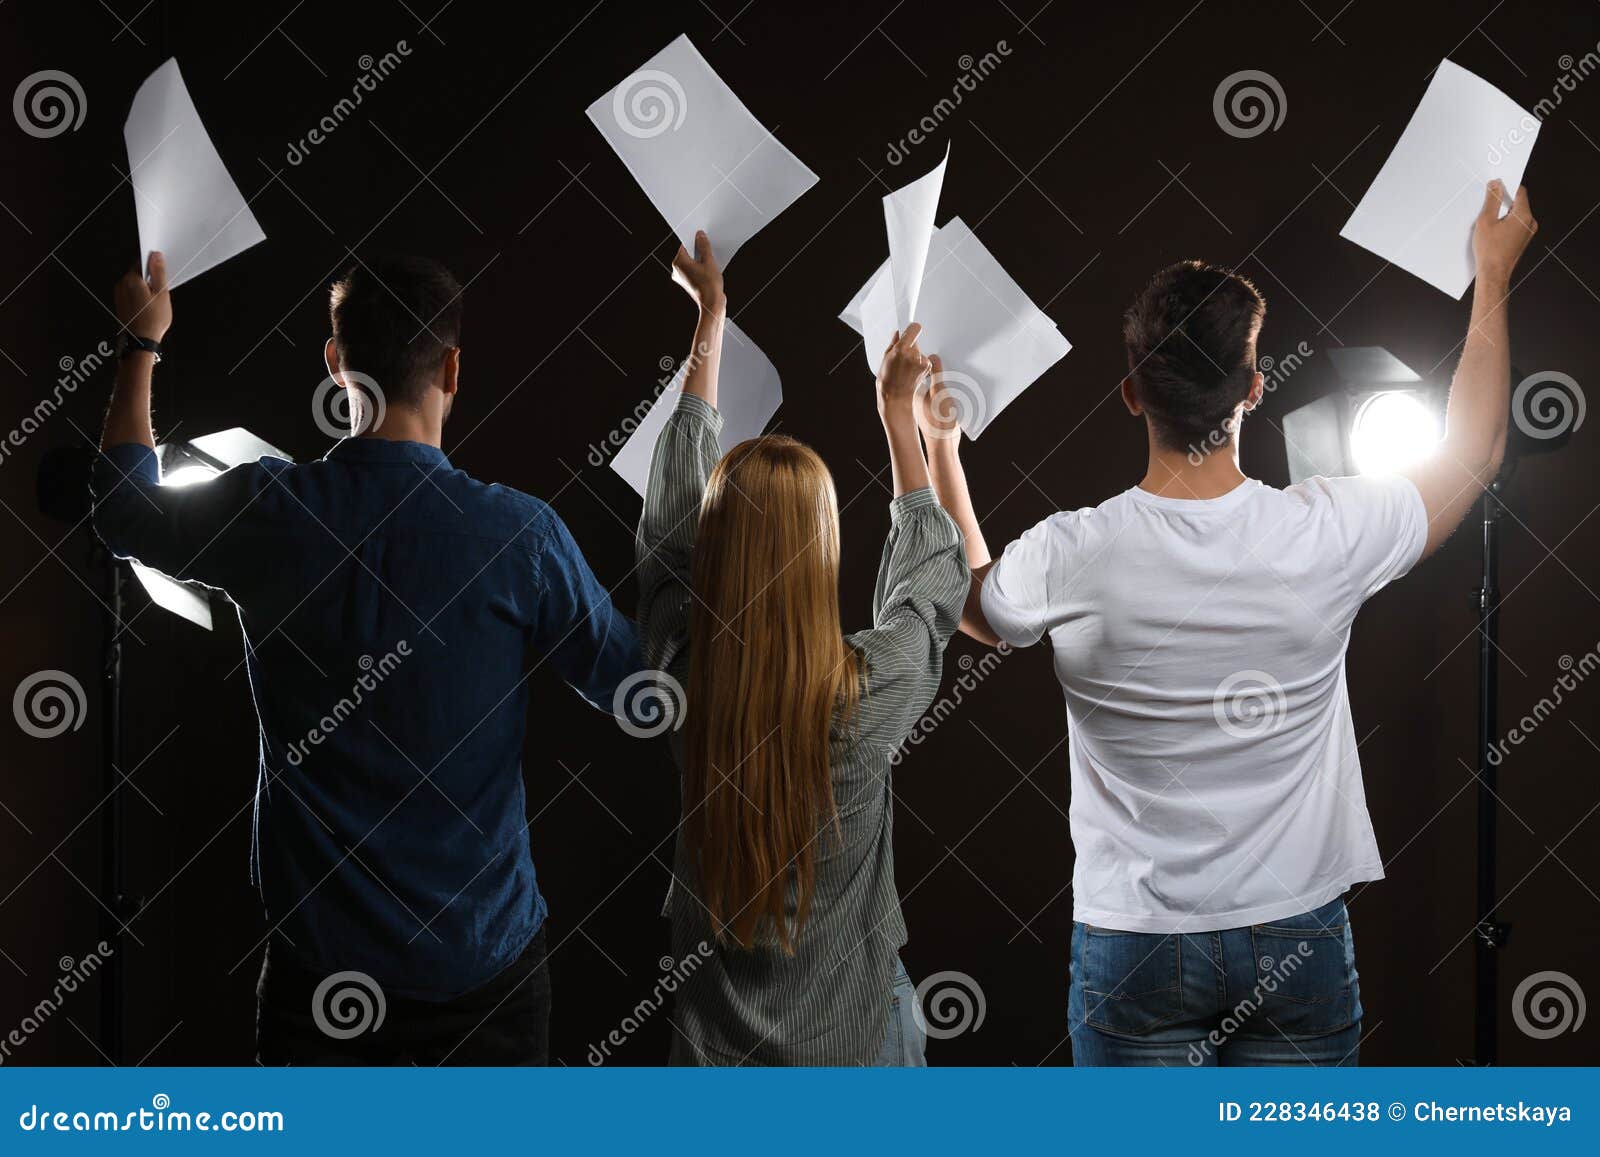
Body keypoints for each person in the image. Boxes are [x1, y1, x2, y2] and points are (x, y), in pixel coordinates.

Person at [919, 181, 1539, 1066]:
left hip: (1133, 945)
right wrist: (1492, 272)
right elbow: (1474, 451)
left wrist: (940, 449)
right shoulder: (1325, 531)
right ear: (1253, 389)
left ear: (1132, 392)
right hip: (1299, 939)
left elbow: (971, 605)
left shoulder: (1071, 553)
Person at [92, 251, 642, 1065]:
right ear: (453, 368)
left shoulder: (269, 510)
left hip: (321, 980)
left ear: (334, 363)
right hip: (486, 970)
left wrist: (141, 343)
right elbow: (631, 684)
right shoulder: (521, 537)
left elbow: (122, 508)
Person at [635, 232, 969, 1065]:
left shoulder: (682, 676)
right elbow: (930, 591)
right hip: (859, 1051)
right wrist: (902, 421)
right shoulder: (869, 689)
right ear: (823, 554)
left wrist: (709, 318)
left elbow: (669, 536)